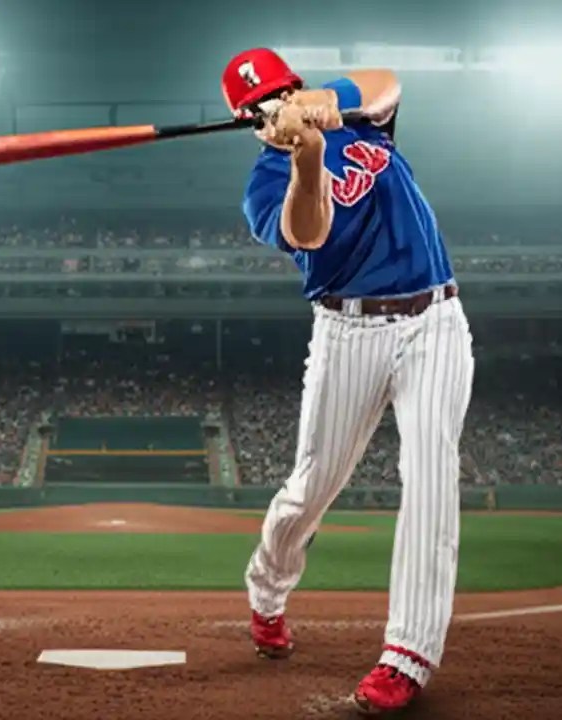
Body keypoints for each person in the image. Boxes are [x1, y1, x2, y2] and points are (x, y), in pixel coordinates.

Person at [221, 48, 475, 713]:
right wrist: (304, 154)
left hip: (436, 317)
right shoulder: (263, 183)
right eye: (260, 104)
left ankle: (408, 654)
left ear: (297, 83)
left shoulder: (361, 120)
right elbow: (309, 232)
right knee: (311, 488)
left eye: (282, 89)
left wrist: (327, 107)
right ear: (247, 121)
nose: (274, 102)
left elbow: (384, 82)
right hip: (348, 331)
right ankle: (267, 591)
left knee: (430, 471)